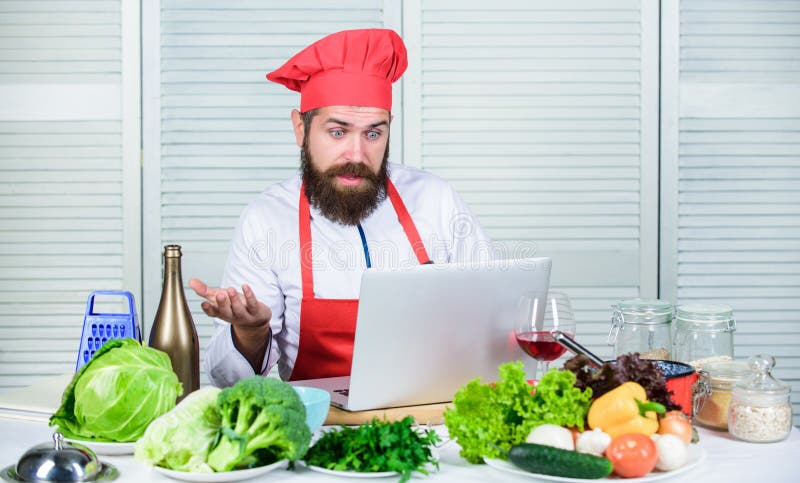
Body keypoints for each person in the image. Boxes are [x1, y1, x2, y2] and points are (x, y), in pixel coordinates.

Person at [190, 28, 492, 387]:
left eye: (373, 133)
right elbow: (229, 379)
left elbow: (493, 322)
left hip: (432, 428)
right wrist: (250, 331)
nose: (356, 155)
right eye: (337, 132)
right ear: (300, 129)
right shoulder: (266, 220)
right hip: (319, 432)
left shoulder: (437, 201)